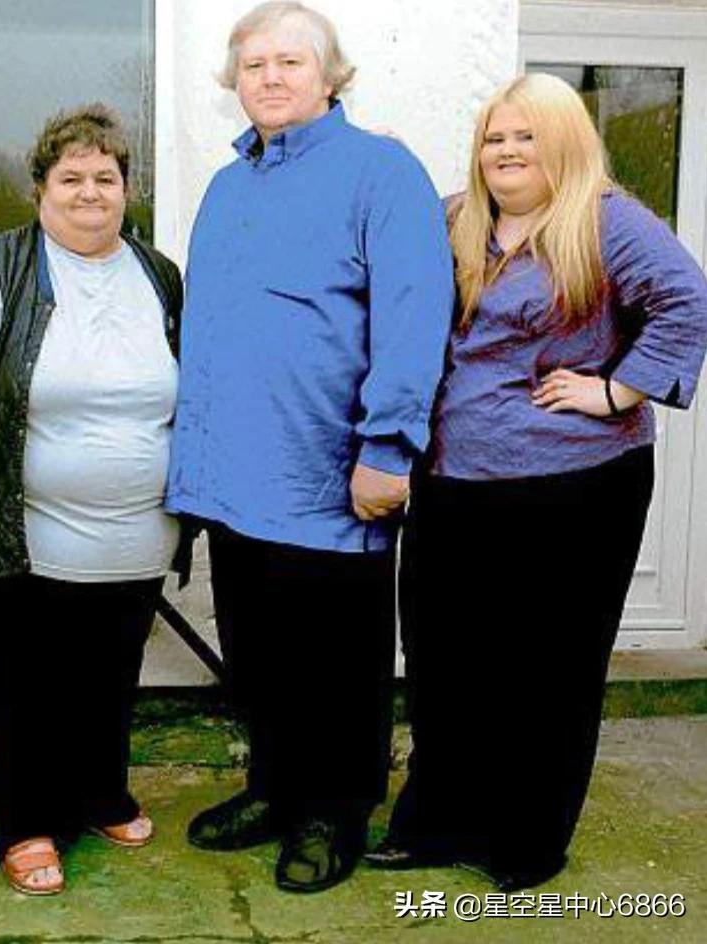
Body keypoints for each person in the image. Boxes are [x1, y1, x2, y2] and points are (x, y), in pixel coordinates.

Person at [365, 73, 707, 891]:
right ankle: (437, 823)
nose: (508, 151)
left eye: (527, 136)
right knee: (446, 661)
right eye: (495, 138)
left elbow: (688, 302)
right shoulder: (455, 218)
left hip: (576, 487)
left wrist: (617, 390)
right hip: (455, 481)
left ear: (565, 144)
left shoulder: (606, 219)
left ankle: (526, 839)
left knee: (549, 668)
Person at [165, 1, 454, 893]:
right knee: (257, 655)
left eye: (290, 62)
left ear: (331, 77)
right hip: (233, 478)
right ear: (234, 82)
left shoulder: (381, 173)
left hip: (330, 476)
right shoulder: (227, 188)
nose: (271, 78)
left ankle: (336, 811)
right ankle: (276, 789)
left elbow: (414, 316)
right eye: (254, 65)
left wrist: (389, 448)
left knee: (337, 665)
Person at [0, 104, 185, 896]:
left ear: (126, 189)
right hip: (27, 531)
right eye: (71, 177)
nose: (89, 192)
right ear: (40, 187)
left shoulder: (157, 273)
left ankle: (101, 793)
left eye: (105, 177)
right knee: (27, 685)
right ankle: (26, 821)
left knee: (111, 673)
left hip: (137, 532)